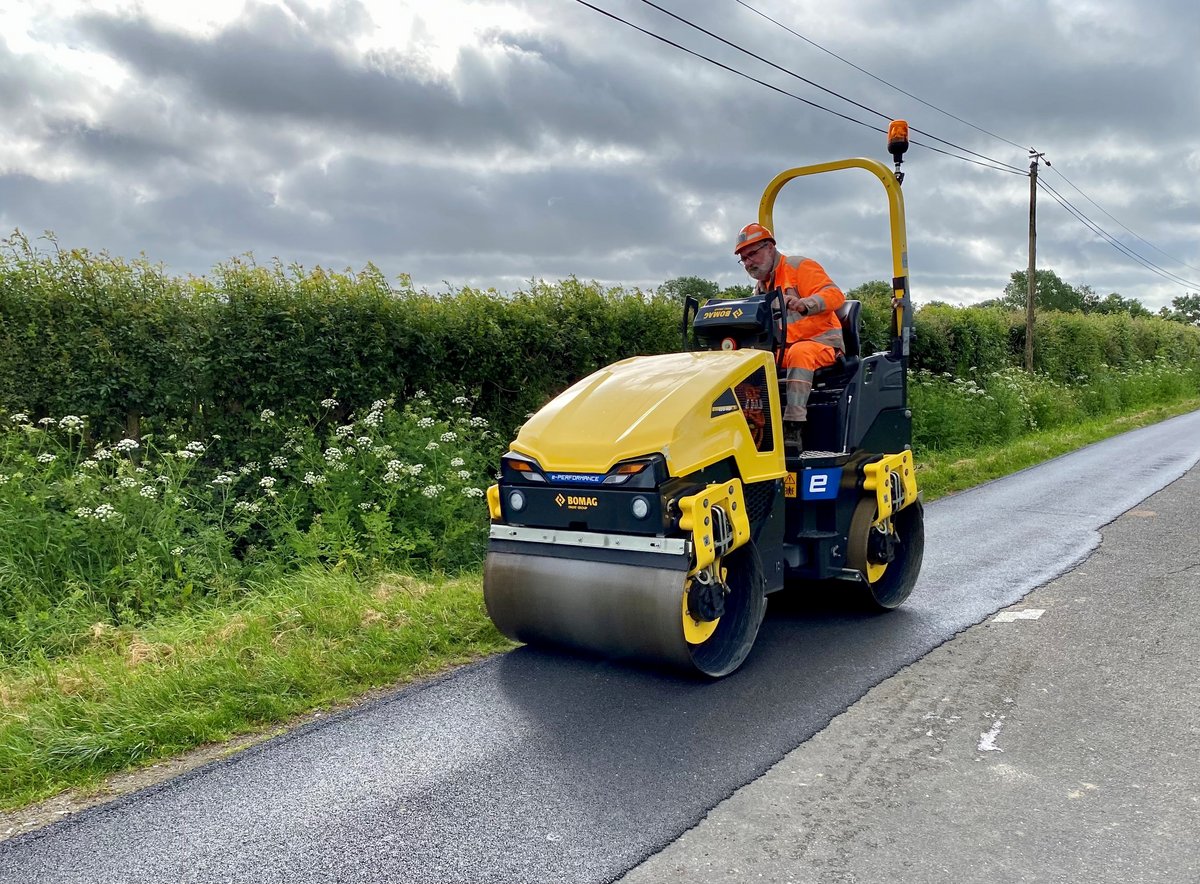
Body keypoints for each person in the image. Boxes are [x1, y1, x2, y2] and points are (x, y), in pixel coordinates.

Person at [733, 222, 845, 451]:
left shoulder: (799, 267)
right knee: (748, 363)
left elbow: (835, 295)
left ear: (770, 247)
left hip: (821, 343)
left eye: (752, 254)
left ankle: (793, 427)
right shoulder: (761, 289)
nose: (748, 263)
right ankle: (753, 427)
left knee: (800, 353)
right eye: (743, 259)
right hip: (784, 348)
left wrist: (806, 304)